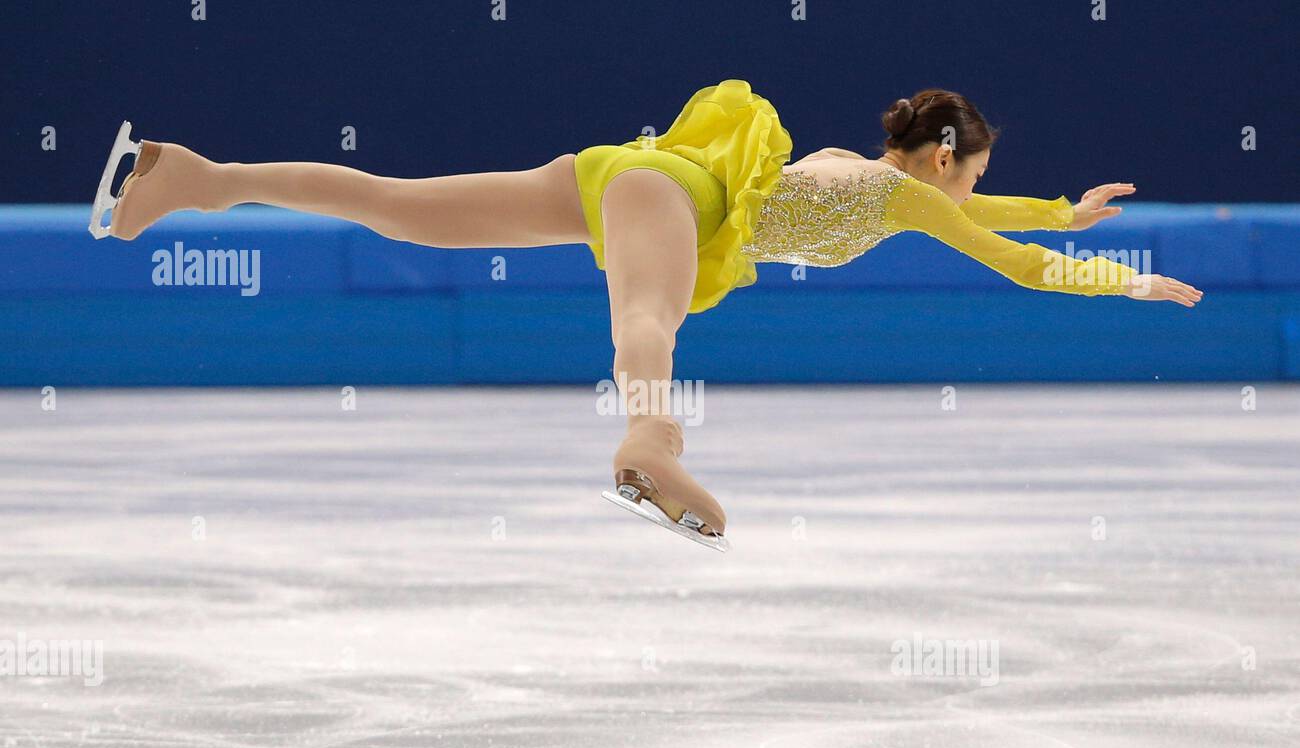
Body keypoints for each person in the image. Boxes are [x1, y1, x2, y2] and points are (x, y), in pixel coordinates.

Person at [89, 79, 1201, 550]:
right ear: (945, 155)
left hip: (622, 175)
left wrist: (1064, 209)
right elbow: (1004, 260)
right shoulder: (906, 195)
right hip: (666, 195)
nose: (965, 188)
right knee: (653, 319)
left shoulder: (874, 178)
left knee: (401, 208)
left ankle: (199, 177)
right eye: (974, 172)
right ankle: (647, 445)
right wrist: (1132, 282)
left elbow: (984, 216)